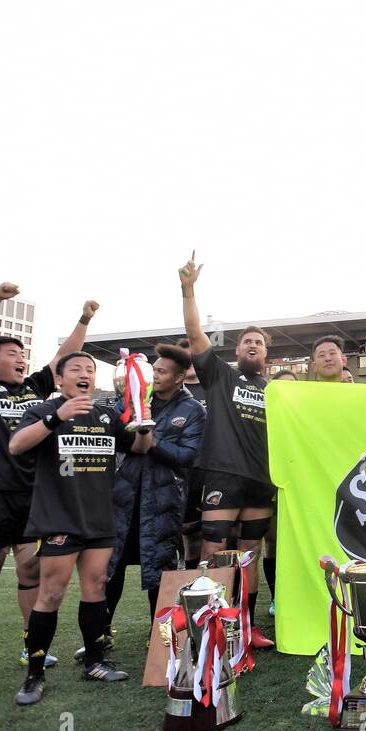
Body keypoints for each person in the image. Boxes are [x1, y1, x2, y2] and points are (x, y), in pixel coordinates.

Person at [0, 283, 98, 684]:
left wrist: (84, 318)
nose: (20, 359)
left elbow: (63, 357)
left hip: (35, 496)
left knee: (31, 572)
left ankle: (31, 644)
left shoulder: (33, 390)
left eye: (22, 354)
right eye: (12, 354)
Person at [9, 352, 153, 704]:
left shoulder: (105, 412)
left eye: (90, 369)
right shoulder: (45, 410)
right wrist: (56, 417)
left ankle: (95, 661)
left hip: (100, 517)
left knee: (96, 586)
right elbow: (15, 446)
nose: (85, 373)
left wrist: (145, 424)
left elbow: (139, 447)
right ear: (59, 379)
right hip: (60, 518)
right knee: (52, 593)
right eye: (76, 369)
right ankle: (35, 675)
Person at [178, 253, 274, 650]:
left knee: (250, 552)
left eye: (260, 342)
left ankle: (246, 626)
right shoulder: (220, 375)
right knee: (215, 548)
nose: (253, 345)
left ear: (268, 353)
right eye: (247, 341)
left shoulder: (277, 391)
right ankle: (209, 625)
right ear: (237, 349)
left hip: (260, 479)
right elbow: (195, 332)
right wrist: (188, 289)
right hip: (221, 473)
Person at [101, 344, 205, 654]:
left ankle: (158, 636)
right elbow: (118, 439)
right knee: (111, 567)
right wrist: (134, 416)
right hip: (124, 497)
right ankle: (100, 634)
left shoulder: (192, 410)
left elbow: (187, 457)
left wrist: (152, 440)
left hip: (163, 501)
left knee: (160, 569)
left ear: (179, 377)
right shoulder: (132, 399)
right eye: (152, 370)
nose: (154, 376)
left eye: (160, 372)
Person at [176, 338, 207, 569]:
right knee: (189, 537)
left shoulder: (214, 386)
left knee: (220, 536)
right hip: (180, 472)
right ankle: (188, 582)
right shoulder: (171, 392)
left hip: (211, 470)